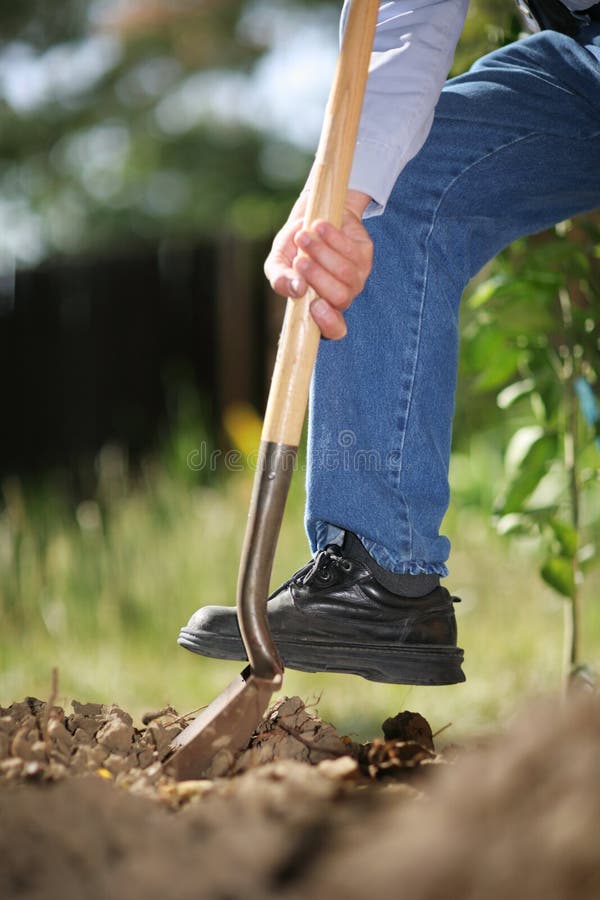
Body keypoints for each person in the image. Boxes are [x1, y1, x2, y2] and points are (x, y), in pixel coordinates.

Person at [178, 0, 600, 685]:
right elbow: (408, 20)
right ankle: (379, 580)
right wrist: (338, 201)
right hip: (581, 57)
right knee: (385, 192)